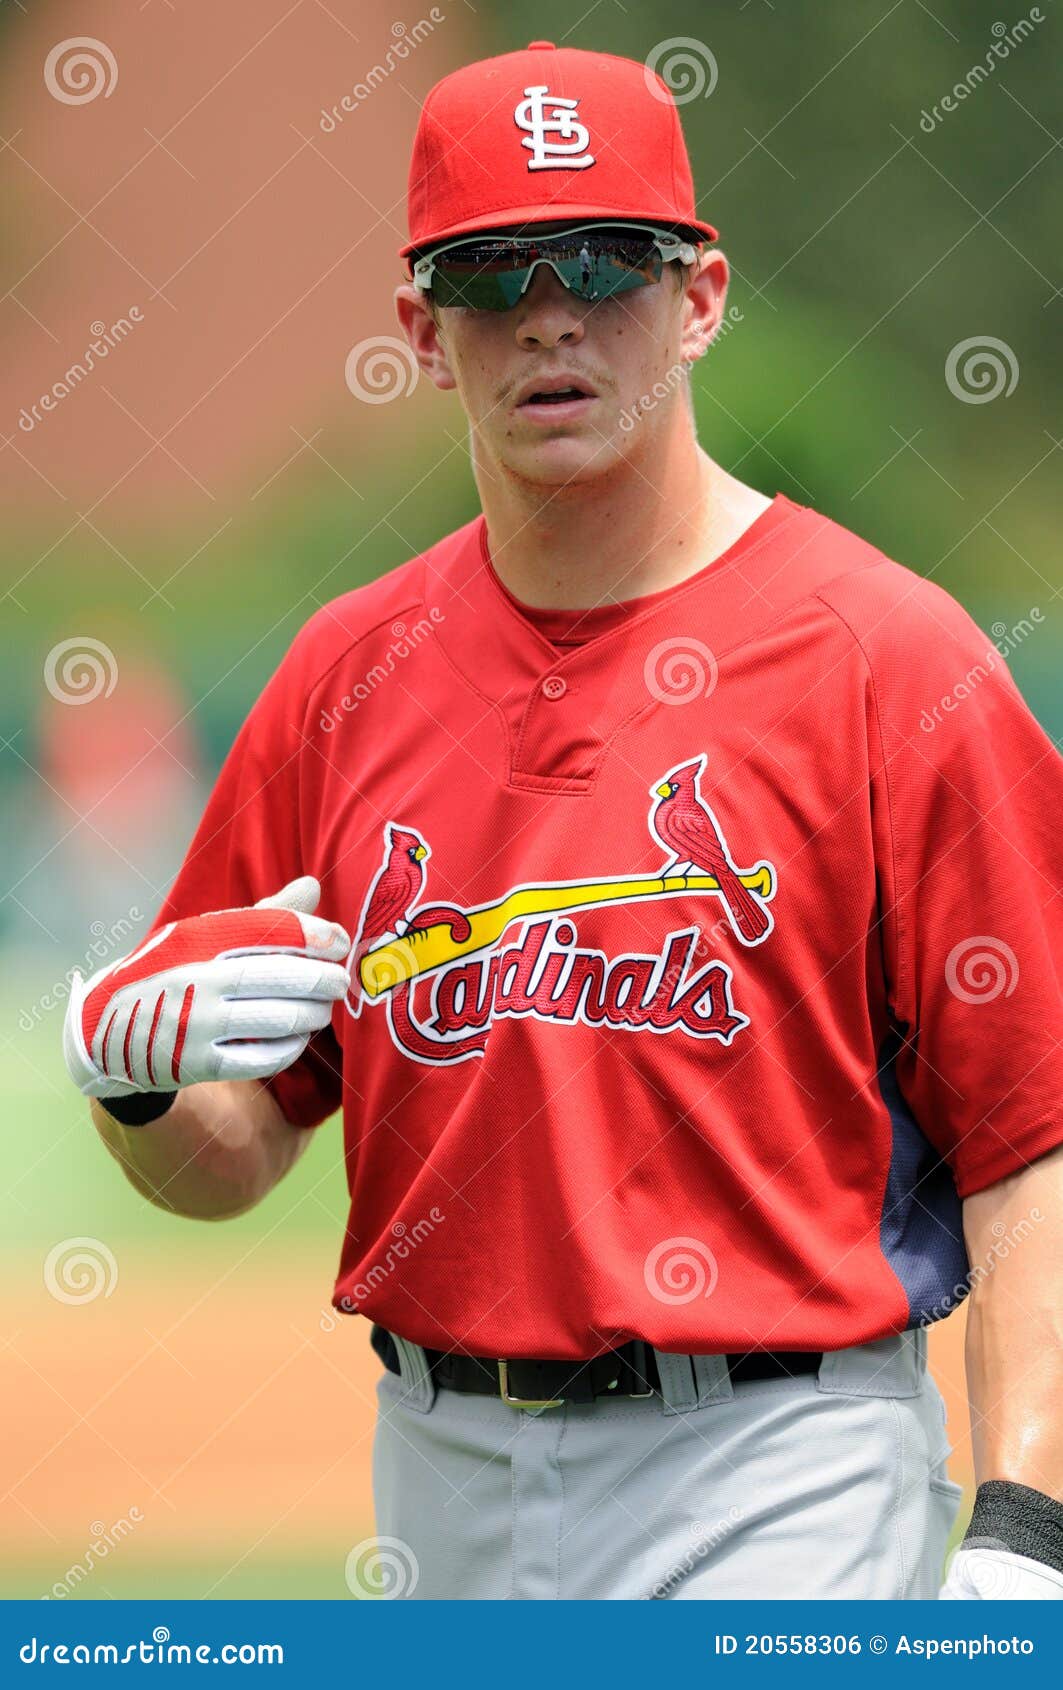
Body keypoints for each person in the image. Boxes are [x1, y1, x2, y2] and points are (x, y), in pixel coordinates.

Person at [63, 41, 1063, 1601]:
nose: (551, 313)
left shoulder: (890, 654)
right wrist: (130, 1092)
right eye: (490, 272)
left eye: (608, 260)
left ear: (703, 297)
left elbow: (1035, 1131)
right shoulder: (348, 672)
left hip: (775, 1469)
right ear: (419, 329)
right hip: (436, 1461)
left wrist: (1028, 1528)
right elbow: (241, 1147)